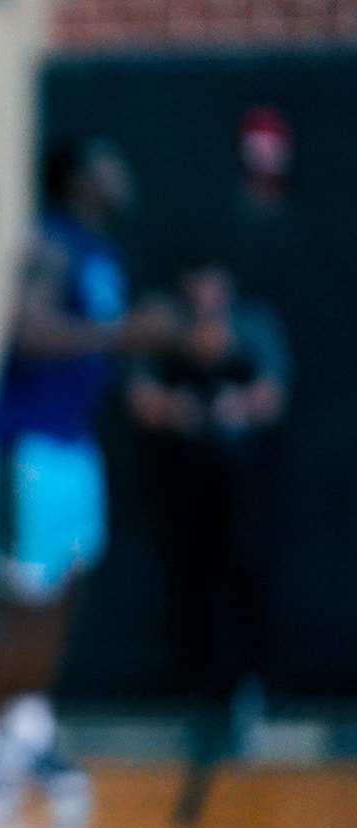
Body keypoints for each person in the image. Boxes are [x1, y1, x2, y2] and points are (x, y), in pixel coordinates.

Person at [0, 138, 176, 816]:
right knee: (24, 599)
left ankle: (26, 732)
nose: (120, 172)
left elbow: (94, 344)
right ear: (78, 180)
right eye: (107, 162)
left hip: (72, 441)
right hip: (26, 444)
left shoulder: (104, 253)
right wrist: (126, 333)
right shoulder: (49, 243)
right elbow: (28, 332)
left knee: (64, 590)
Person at [126, 259, 289, 753]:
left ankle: (252, 683)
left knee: (245, 570)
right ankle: (196, 686)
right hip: (180, 478)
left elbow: (271, 397)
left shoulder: (253, 327)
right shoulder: (163, 330)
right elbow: (142, 401)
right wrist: (187, 410)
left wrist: (234, 407)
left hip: (242, 476)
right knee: (190, 578)